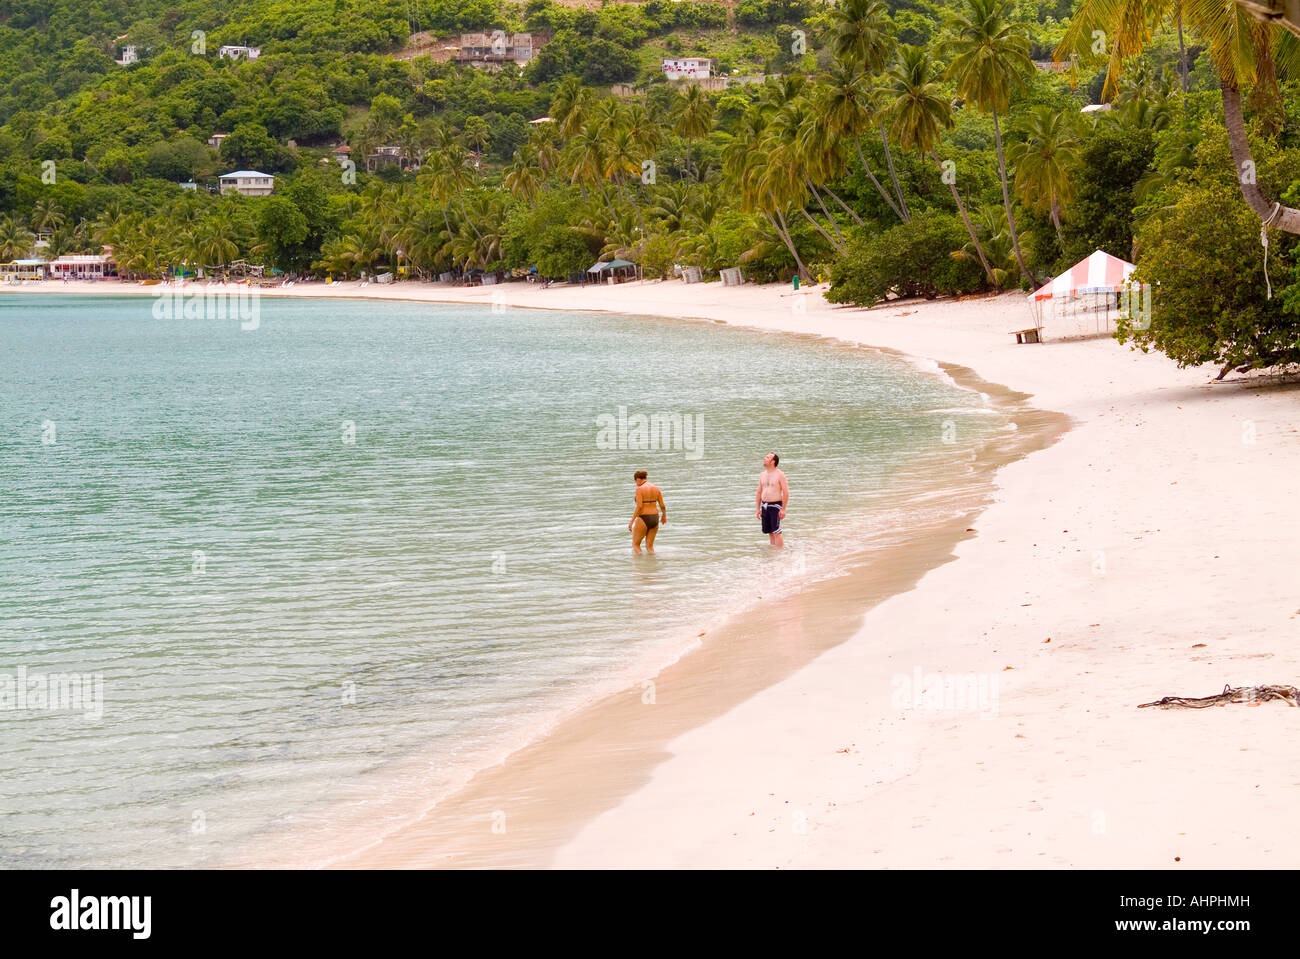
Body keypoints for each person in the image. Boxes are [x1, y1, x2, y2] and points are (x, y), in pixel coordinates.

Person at [628, 470, 666, 554]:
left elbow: (639, 506)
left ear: (637, 479)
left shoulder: (639, 489)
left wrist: (631, 521)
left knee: (635, 544)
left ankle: (639, 565)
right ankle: (652, 564)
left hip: (644, 517)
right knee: (650, 546)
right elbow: (662, 505)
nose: (636, 483)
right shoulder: (656, 488)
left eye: (635, 481)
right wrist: (664, 516)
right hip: (655, 518)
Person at [756, 451, 788, 548]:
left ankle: (780, 554)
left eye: (767, 457)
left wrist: (783, 509)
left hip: (776, 505)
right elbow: (758, 492)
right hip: (764, 505)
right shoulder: (762, 474)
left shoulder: (780, 474)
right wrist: (758, 509)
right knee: (769, 531)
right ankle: (774, 553)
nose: (764, 458)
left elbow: (786, 492)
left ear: (773, 461)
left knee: (776, 531)